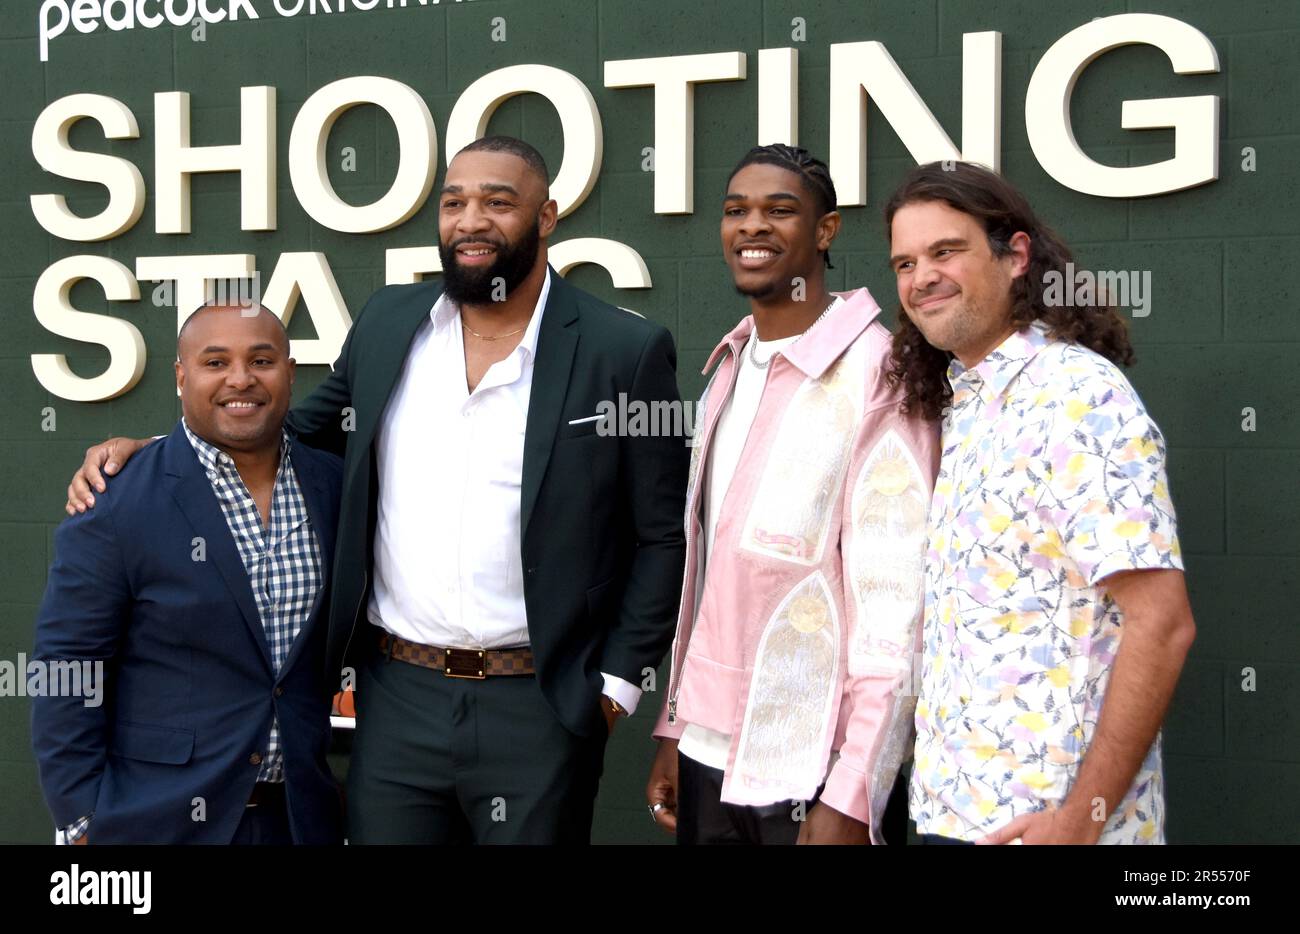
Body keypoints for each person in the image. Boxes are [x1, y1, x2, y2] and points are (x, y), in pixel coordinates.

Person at [64, 136, 688, 844]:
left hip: (539, 702)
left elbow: (664, 534)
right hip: (397, 699)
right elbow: (294, 430)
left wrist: (612, 690)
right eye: (454, 202)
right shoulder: (391, 322)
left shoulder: (620, 349)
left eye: (497, 202)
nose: (470, 220)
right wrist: (159, 449)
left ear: (546, 217)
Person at [884, 161, 1196, 845]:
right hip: (949, 813)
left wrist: (1080, 818)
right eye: (904, 262)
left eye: (946, 251)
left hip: (1048, 826)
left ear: (1016, 255)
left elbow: (1163, 624)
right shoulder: (957, 408)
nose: (921, 278)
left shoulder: (1078, 397)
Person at [644, 144, 938, 845]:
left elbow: (897, 609)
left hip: (813, 766)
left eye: (780, 211)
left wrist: (853, 789)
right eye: (735, 211)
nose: (752, 227)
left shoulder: (878, 374)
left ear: (826, 231)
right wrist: (675, 725)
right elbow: (708, 577)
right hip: (707, 754)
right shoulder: (729, 365)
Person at [33, 303, 344, 845]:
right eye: (215, 362)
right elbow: (65, 668)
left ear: (290, 372)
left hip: (298, 820)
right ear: (181, 377)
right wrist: (82, 819)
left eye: (262, 360)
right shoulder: (117, 500)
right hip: (155, 823)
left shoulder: (334, 487)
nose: (240, 379)